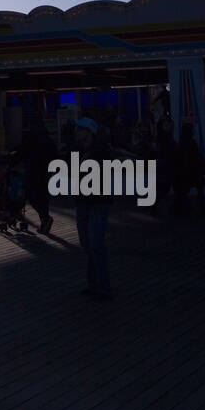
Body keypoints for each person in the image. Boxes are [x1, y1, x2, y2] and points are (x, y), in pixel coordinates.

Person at [74, 118, 113, 300]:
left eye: (80, 129)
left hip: (97, 201)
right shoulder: (82, 150)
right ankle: (94, 283)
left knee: (95, 243)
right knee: (88, 244)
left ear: (90, 132)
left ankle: (102, 285)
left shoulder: (101, 151)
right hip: (85, 201)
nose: (77, 132)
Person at [16, 117, 55, 233]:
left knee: (31, 196)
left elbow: (21, 152)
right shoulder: (47, 138)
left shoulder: (29, 138)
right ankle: (45, 219)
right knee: (42, 198)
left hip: (33, 171)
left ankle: (45, 219)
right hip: (45, 171)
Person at [171, 124, 205, 217]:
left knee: (183, 192)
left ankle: (180, 209)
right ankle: (201, 210)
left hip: (186, 172)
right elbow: (195, 157)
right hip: (192, 172)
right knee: (197, 191)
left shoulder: (181, 143)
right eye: (192, 130)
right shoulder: (191, 143)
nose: (193, 132)